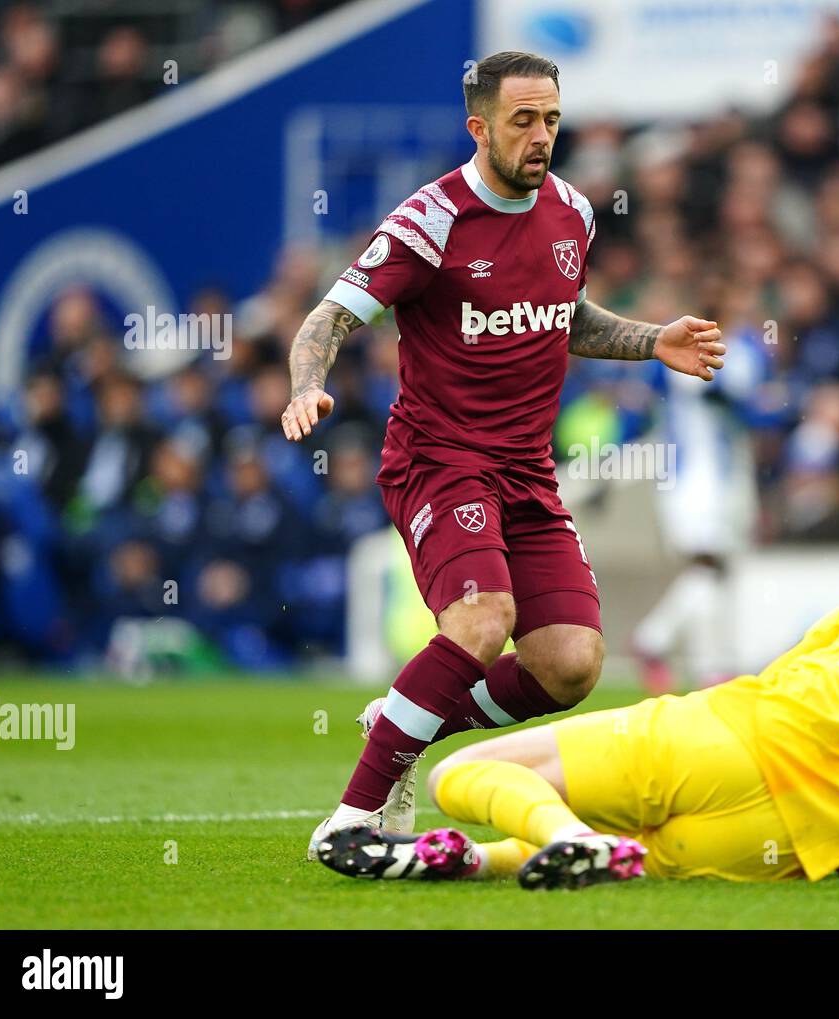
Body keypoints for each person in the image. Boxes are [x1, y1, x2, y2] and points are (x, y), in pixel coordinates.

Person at [284, 51, 726, 858]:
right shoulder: (429, 221)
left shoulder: (572, 214)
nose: (541, 136)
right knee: (485, 622)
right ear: (479, 127)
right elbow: (329, 317)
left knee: (571, 663)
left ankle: (399, 719)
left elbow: (568, 316)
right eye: (523, 120)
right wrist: (306, 386)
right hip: (439, 459)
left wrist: (652, 339)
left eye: (552, 119)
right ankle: (352, 814)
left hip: (526, 470)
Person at [315, 558, 839, 887]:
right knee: (644, 855)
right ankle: (472, 860)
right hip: (785, 841)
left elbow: (783, 679)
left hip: (727, 740)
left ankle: (568, 837)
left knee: (460, 773)